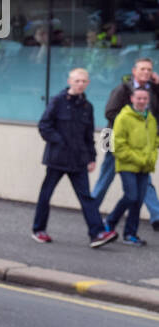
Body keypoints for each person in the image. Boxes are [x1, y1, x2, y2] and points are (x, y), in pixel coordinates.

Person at [31, 68, 119, 247]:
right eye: (77, 81)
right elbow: (44, 126)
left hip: (78, 160)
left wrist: (92, 157)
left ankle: (97, 234)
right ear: (70, 81)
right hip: (57, 159)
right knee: (46, 195)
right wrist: (60, 141)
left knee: (87, 197)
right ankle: (38, 229)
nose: (80, 84)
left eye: (84, 81)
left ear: (87, 84)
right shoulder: (57, 101)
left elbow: (88, 135)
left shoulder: (88, 107)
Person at [92, 57, 159, 229]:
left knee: (144, 179)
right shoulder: (123, 88)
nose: (146, 73)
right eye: (142, 69)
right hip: (116, 139)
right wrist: (130, 126)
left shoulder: (152, 90)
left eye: (149, 70)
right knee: (106, 176)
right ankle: (91, 210)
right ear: (134, 71)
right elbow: (110, 112)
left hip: (141, 145)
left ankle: (156, 215)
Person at [106, 86, 157, 246]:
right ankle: (109, 222)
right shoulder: (123, 117)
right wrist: (139, 159)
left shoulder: (151, 119)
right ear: (132, 99)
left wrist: (151, 158)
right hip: (127, 165)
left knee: (139, 200)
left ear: (148, 100)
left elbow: (154, 141)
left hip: (145, 166)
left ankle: (130, 234)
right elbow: (118, 145)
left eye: (144, 99)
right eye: (139, 98)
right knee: (131, 196)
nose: (141, 101)